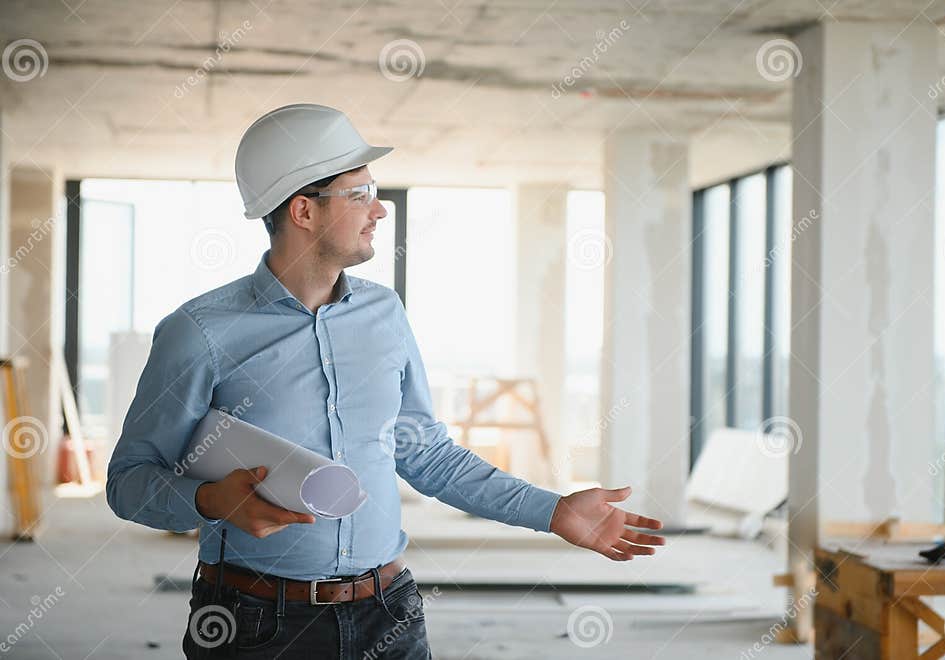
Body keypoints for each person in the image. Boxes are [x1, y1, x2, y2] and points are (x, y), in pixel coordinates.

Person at [106, 103, 665, 659]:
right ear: (303, 210)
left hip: (388, 613)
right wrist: (208, 500)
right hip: (255, 626)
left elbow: (425, 454)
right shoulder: (199, 332)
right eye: (360, 194)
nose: (379, 211)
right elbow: (129, 482)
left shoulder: (384, 314)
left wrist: (552, 510)